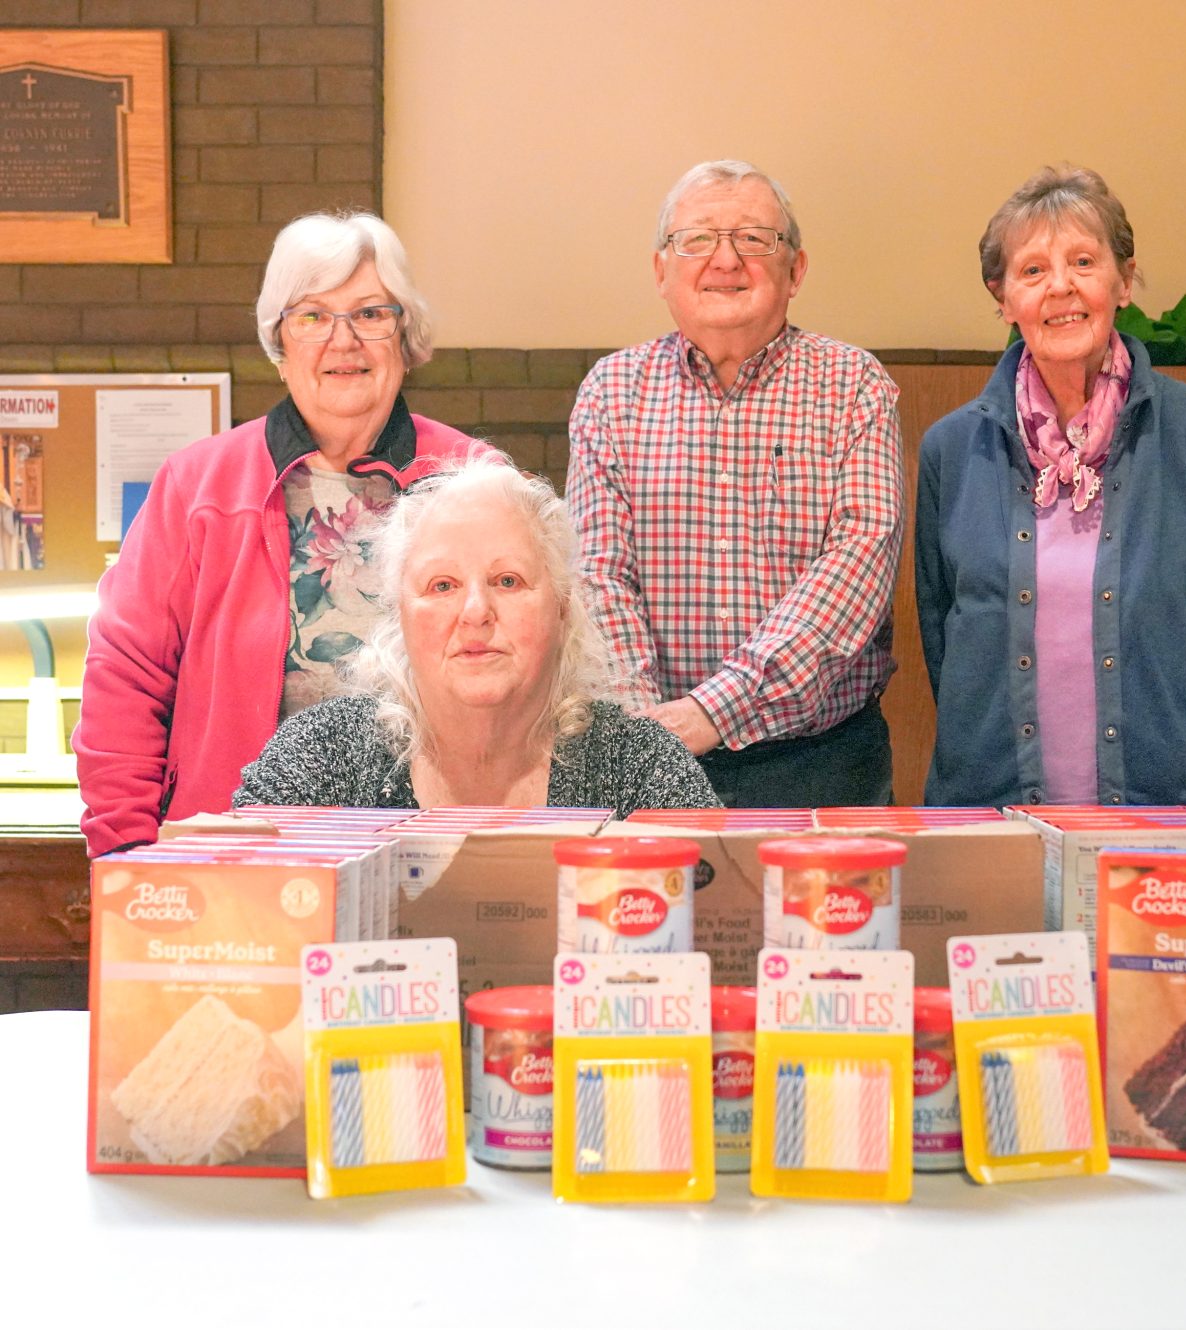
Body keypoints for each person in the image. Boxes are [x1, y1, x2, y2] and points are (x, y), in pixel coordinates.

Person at [76, 211, 488, 855]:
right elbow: (126, 674)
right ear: (280, 342)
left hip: (433, 846)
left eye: (371, 314)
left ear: (406, 336)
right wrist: (126, 849)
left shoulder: (474, 480)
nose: (342, 341)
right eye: (312, 316)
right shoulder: (197, 485)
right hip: (233, 848)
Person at [915, 165, 1186, 807]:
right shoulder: (952, 449)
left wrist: (1181, 741)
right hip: (995, 814)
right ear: (1002, 297)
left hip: (1171, 809)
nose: (1061, 288)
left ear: (1122, 281)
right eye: (1032, 271)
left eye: (1082, 260)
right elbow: (945, 638)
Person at [566, 159, 904, 808]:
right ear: (661, 270)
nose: (725, 260)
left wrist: (715, 711)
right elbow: (597, 572)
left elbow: (857, 566)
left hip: (822, 763)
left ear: (796, 269)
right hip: (646, 754)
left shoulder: (853, 385)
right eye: (696, 240)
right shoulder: (612, 392)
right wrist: (647, 731)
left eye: (754, 239)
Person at [233, 454, 721, 816]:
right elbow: (238, 916)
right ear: (399, 614)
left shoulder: (640, 766)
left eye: (507, 581)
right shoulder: (321, 755)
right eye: (441, 586)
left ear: (563, 609)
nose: (475, 612)